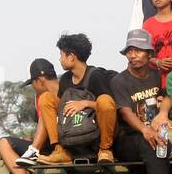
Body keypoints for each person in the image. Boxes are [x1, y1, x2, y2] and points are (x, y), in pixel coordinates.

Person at [109, 29, 172, 174]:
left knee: (162, 146)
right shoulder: (119, 81)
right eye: (130, 51)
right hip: (129, 138)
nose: (133, 55)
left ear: (149, 54)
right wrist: (144, 129)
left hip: (157, 133)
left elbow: (167, 97)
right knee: (152, 143)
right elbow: (125, 112)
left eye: (139, 50)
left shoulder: (156, 75)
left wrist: (163, 113)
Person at [38, 34, 119, 166]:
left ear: (71, 56)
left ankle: (105, 150)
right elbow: (59, 108)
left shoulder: (95, 75)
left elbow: (110, 107)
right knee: (45, 98)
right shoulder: (65, 79)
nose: (59, 59)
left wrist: (85, 103)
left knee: (104, 100)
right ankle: (59, 150)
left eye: (61, 55)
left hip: (96, 131)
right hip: (72, 130)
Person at [0, 57, 59, 174]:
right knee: (4, 142)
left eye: (32, 83)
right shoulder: (42, 97)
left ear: (39, 80)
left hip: (59, 146)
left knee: (3, 143)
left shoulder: (47, 97)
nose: (32, 87)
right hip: (49, 146)